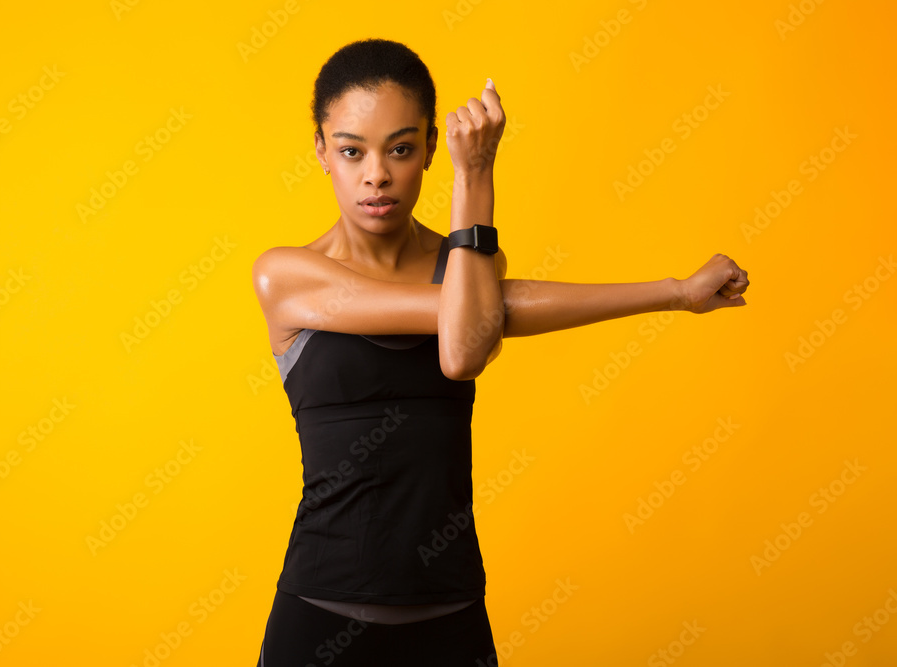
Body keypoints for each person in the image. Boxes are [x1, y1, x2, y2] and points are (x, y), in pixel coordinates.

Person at [251, 38, 749, 667]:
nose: (376, 173)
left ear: (432, 147)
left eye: (400, 148)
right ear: (322, 151)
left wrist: (678, 293)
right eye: (352, 151)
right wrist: (476, 177)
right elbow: (466, 338)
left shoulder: (468, 271)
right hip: (319, 621)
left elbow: (475, 322)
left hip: (451, 616)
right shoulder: (286, 276)